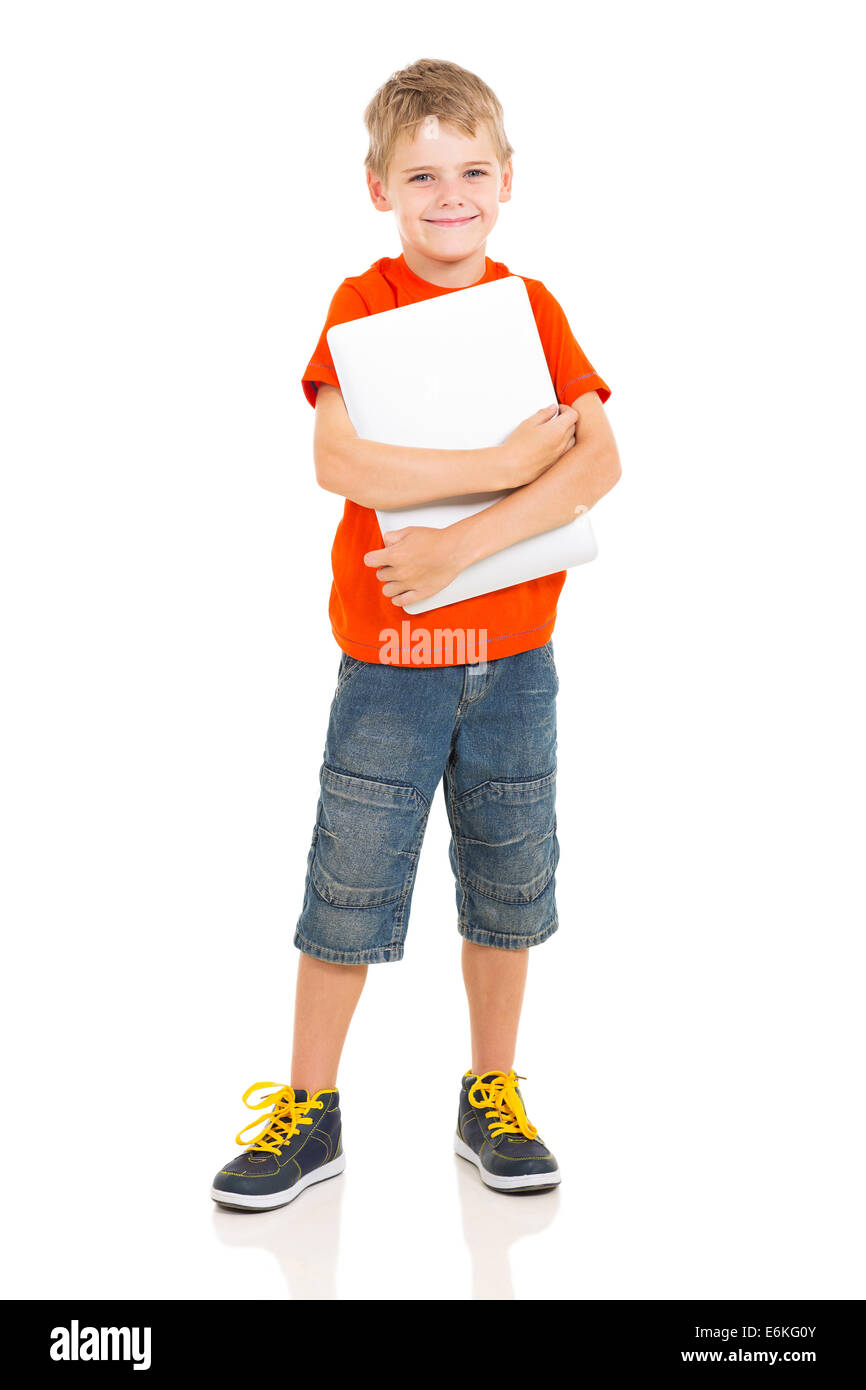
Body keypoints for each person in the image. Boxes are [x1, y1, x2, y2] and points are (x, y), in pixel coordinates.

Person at [211, 57, 621, 1211]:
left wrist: (456, 548)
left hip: (514, 668)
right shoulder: (362, 302)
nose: (450, 193)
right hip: (387, 671)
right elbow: (338, 458)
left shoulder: (534, 308)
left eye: (472, 170)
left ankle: (489, 1090)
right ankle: (310, 1109)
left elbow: (599, 461)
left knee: (507, 881)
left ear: (506, 180)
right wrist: (500, 467)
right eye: (422, 173)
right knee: (345, 884)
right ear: (378, 186)